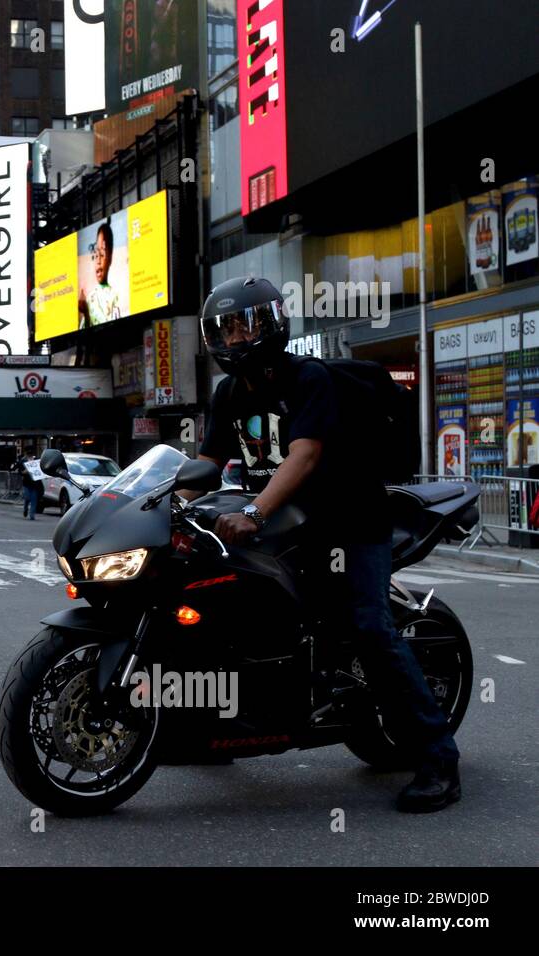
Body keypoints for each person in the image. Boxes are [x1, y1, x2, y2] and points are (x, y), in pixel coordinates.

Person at [194, 275, 460, 813]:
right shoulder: (228, 392)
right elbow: (207, 462)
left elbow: (304, 456)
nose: (235, 339)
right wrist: (143, 491)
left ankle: (438, 758)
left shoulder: (308, 377)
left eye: (246, 326)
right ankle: (220, 720)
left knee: (368, 625)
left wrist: (252, 510)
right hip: (283, 521)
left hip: (350, 519)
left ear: (271, 324)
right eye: (224, 329)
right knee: (218, 594)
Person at [78, 221, 122, 327]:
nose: (98, 261)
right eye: (96, 255)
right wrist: (86, 313)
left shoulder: (114, 296)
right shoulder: (90, 298)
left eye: (102, 254)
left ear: (110, 258)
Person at [12, 451, 42, 520]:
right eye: (29, 455)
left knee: (34, 499)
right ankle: (25, 508)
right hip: (27, 483)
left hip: (35, 483)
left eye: (31, 455)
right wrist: (23, 472)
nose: (30, 457)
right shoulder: (22, 461)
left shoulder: (37, 461)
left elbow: (40, 470)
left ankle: (32, 514)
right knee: (27, 497)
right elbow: (18, 470)